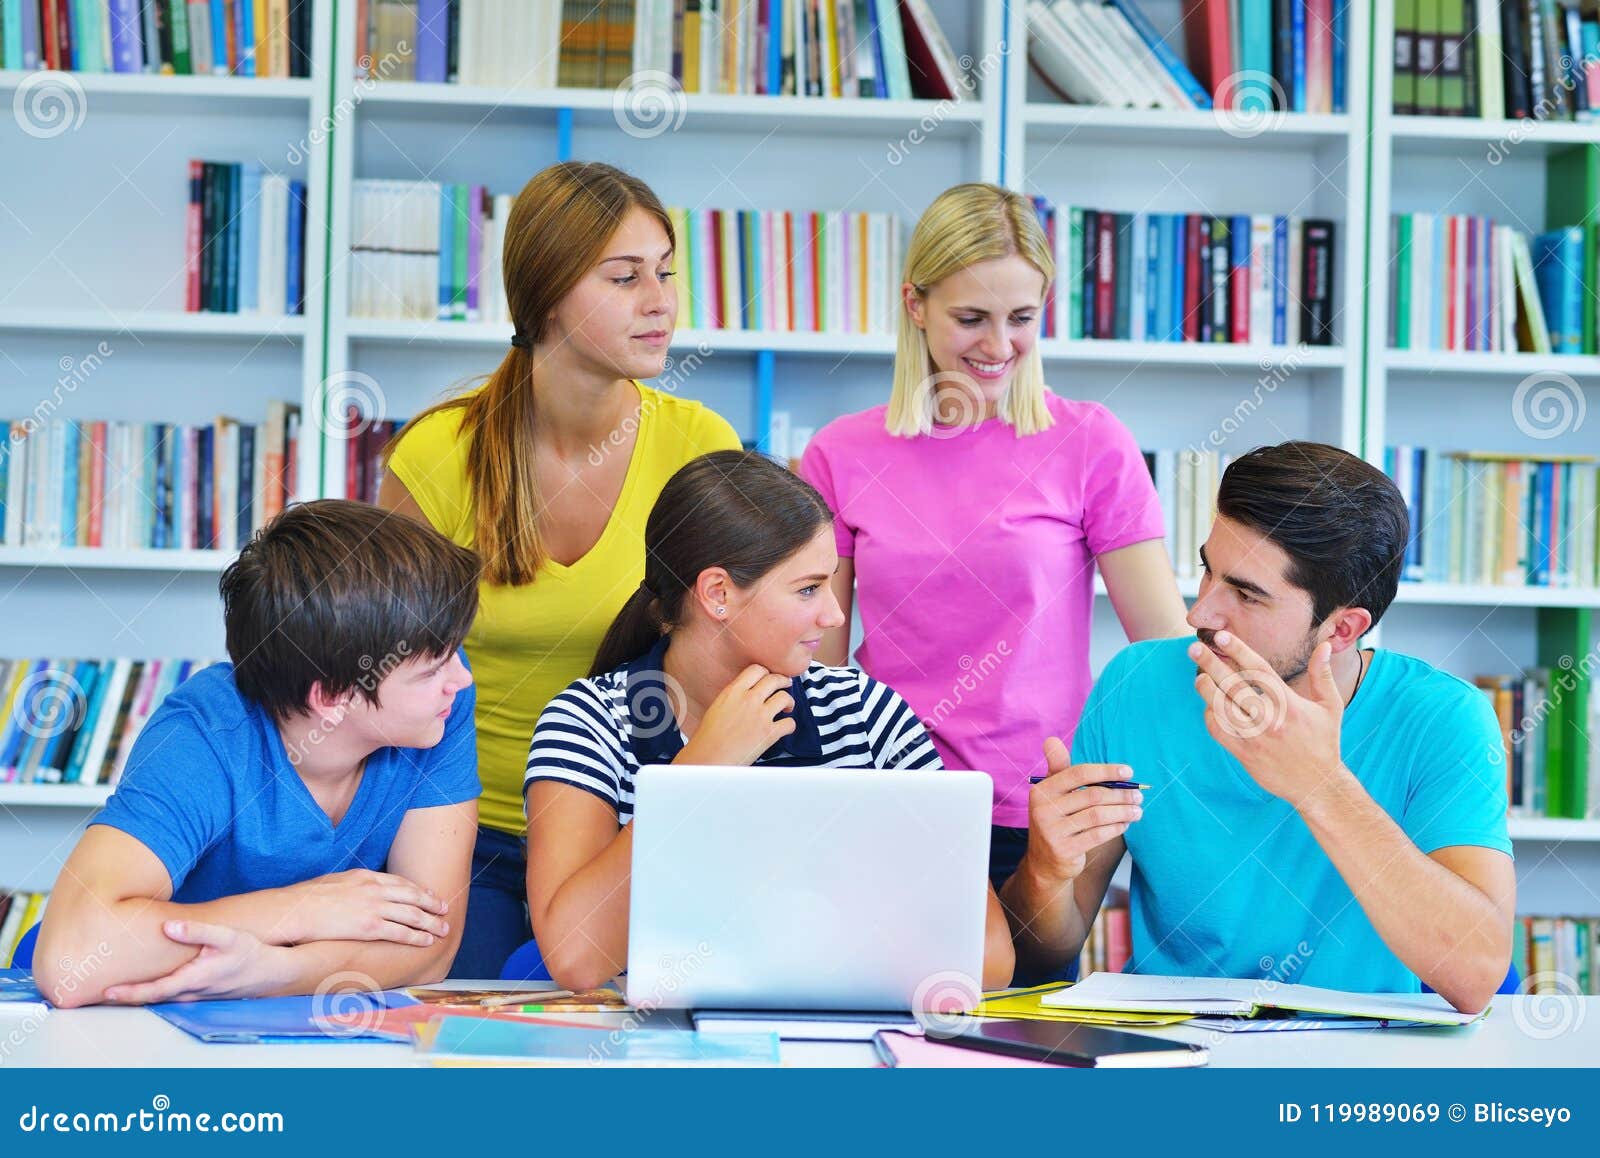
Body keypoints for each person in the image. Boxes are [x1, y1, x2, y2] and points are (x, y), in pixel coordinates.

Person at [379, 161, 741, 978]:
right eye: (624, 277)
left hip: (636, 831)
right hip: (462, 837)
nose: (661, 301)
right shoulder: (439, 455)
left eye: (666, 272)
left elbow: (743, 648)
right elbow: (377, 671)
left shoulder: (701, 447)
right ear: (545, 296)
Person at [1002, 442, 1516, 1013]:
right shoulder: (1136, 683)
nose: (1199, 614)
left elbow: (1475, 977)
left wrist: (1319, 783)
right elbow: (1039, 958)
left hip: (1354, 1064)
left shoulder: (1443, 719)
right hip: (1170, 1053)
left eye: (1246, 594)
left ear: (1342, 630)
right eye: (1208, 570)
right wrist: (1046, 871)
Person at [799, 182, 1188, 893]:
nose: (998, 345)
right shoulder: (839, 454)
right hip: (886, 802)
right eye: (971, 317)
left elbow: (1162, 651)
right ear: (915, 305)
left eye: (1021, 317)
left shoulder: (1090, 442)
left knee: (1026, 1002)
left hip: (1040, 808)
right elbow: (815, 666)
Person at [522, 450, 1015, 992]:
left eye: (829, 584)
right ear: (718, 594)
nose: (834, 615)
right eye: (807, 589)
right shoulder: (588, 722)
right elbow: (577, 957)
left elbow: (988, 958)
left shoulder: (867, 716)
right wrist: (700, 772)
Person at [34, 500, 482, 1007]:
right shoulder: (204, 736)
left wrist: (282, 969)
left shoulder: (438, 709)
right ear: (332, 697)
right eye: (431, 670)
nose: (460, 679)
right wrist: (301, 910)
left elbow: (431, 945)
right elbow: (69, 960)